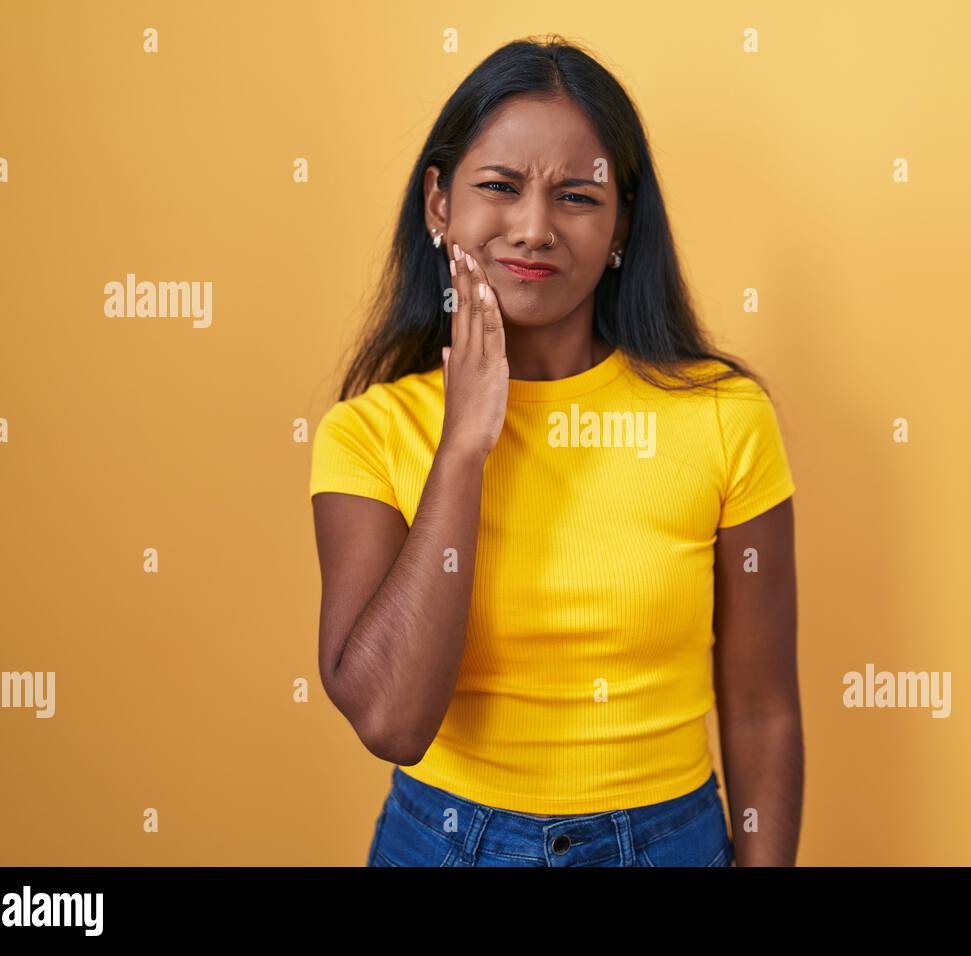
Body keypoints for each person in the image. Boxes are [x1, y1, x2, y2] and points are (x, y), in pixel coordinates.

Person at [309, 35, 801, 867]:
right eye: (499, 187)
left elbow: (761, 709)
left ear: (621, 226)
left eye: (577, 197)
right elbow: (391, 720)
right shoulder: (368, 434)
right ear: (439, 204)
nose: (534, 229)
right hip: (445, 844)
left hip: (668, 844)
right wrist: (464, 444)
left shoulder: (726, 418)